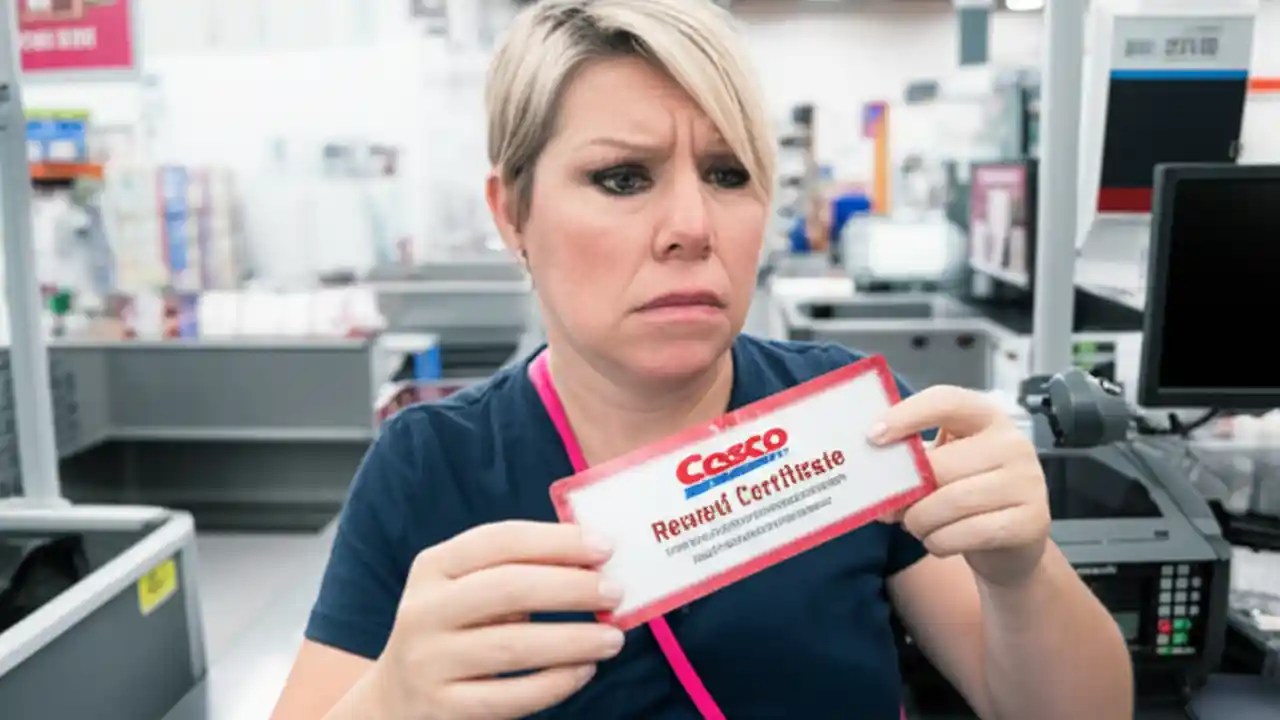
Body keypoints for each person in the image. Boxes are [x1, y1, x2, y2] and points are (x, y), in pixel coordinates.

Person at [271, 1, 1133, 718]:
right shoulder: (434, 467)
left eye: (727, 174)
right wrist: (388, 701)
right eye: (622, 178)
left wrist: (1021, 572)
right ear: (513, 213)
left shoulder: (849, 421)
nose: (693, 224)